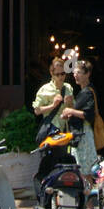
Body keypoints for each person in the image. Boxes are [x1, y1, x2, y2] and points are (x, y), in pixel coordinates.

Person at [32, 55, 75, 185]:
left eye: (63, 73)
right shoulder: (45, 90)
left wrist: (70, 104)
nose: (61, 77)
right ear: (52, 73)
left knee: (64, 160)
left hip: (65, 130)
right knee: (50, 160)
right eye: (58, 74)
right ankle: (45, 185)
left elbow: (72, 108)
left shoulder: (68, 88)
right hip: (52, 131)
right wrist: (53, 106)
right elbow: (37, 110)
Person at [63, 58, 99, 173]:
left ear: (87, 74)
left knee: (86, 170)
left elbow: (88, 114)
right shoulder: (83, 91)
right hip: (80, 134)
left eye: (78, 72)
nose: (75, 75)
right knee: (82, 169)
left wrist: (71, 111)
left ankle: (88, 190)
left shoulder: (88, 92)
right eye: (74, 72)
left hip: (84, 135)